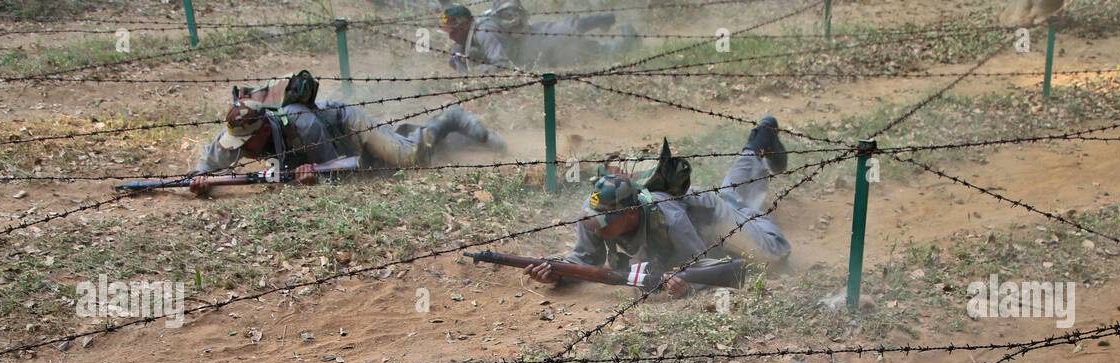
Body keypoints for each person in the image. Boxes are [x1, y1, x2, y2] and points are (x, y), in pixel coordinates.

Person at [524, 117, 792, 297]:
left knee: (771, 254)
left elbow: (701, 262)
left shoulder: (669, 217)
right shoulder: (594, 210)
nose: (597, 227)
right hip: (688, 217)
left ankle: (760, 143)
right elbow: (583, 259)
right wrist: (556, 273)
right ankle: (756, 148)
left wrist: (689, 284)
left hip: (707, 215)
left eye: (604, 222)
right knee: (732, 192)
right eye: (595, 219)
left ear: (631, 213)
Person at [189, 72, 506, 196]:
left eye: (246, 144)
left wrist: (313, 176)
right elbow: (210, 161)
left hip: (347, 127)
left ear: (260, 131)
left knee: (408, 158)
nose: (241, 149)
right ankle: (435, 138)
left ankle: (449, 120)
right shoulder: (241, 127)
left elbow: (340, 169)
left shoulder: (301, 124)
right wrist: (201, 178)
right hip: (326, 143)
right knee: (389, 163)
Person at [439, 2, 630, 74]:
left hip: (541, 47)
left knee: (583, 44)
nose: (451, 35)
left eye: (453, 31)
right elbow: (458, 52)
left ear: (464, 25)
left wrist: (475, 71)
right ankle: (604, 20)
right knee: (567, 28)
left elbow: (502, 65)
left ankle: (627, 41)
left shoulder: (484, 33)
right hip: (533, 38)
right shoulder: (466, 36)